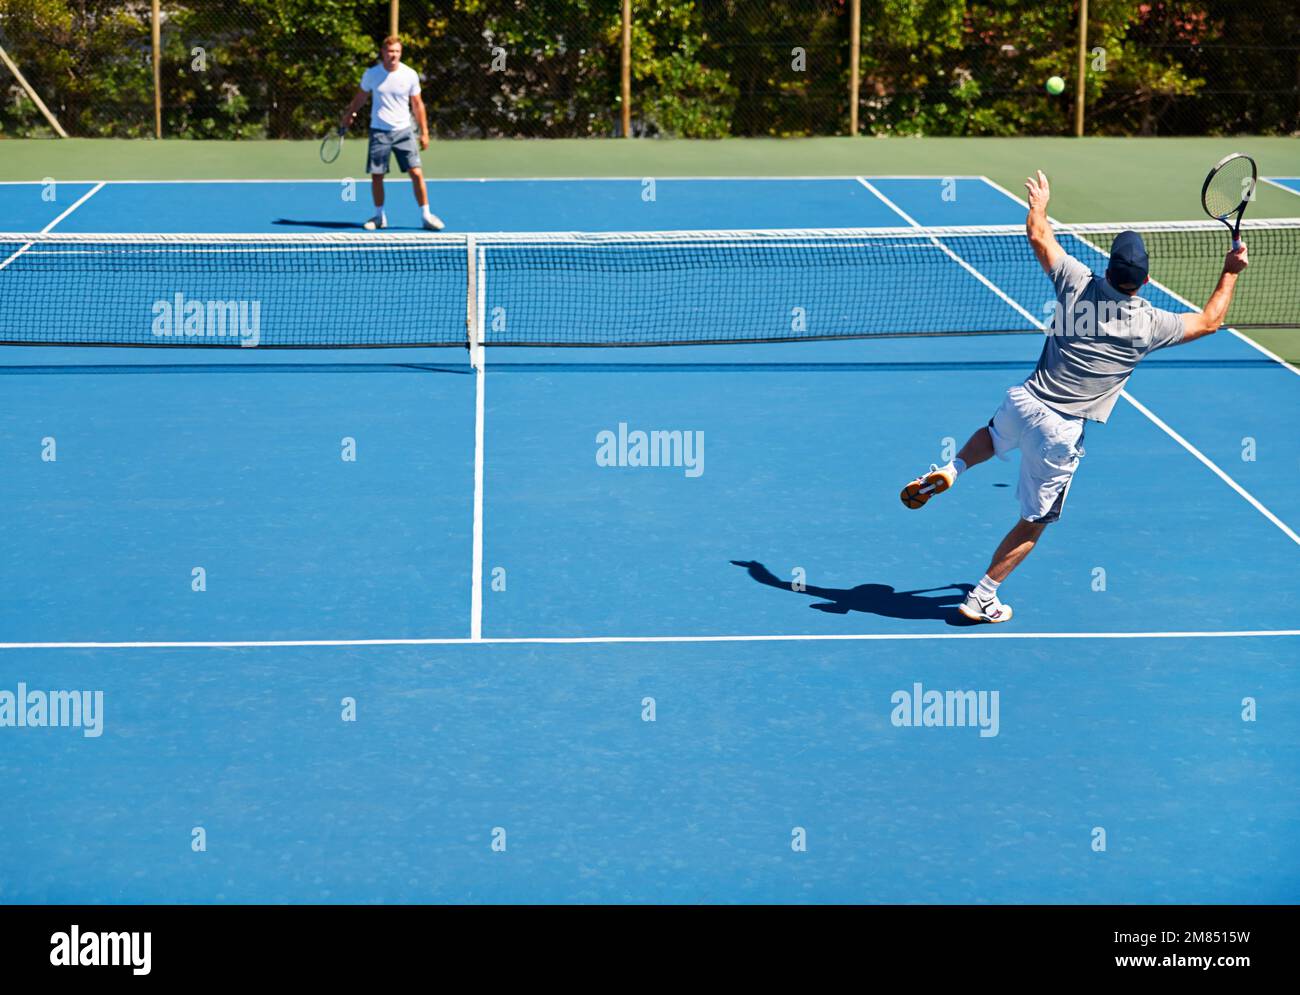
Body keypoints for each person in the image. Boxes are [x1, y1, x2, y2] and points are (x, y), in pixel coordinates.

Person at [900, 169, 1249, 623]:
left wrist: (1040, 205)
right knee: (1035, 522)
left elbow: (1038, 235)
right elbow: (1209, 322)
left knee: (992, 434)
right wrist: (1230, 271)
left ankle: (952, 467)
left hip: (1025, 400)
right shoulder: (1150, 324)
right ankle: (982, 596)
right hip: (1061, 431)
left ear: (1108, 269)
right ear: (1144, 282)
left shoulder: (1077, 284)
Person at [339, 35, 443, 231]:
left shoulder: (410, 74)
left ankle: (426, 215)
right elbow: (361, 97)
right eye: (389, 51)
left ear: (400, 53)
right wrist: (350, 114)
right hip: (379, 131)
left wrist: (424, 132)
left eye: (396, 51)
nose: (393, 55)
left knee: (416, 173)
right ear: (383, 53)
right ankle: (379, 217)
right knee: (377, 176)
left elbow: (418, 104)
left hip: (404, 131)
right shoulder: (372, 74)